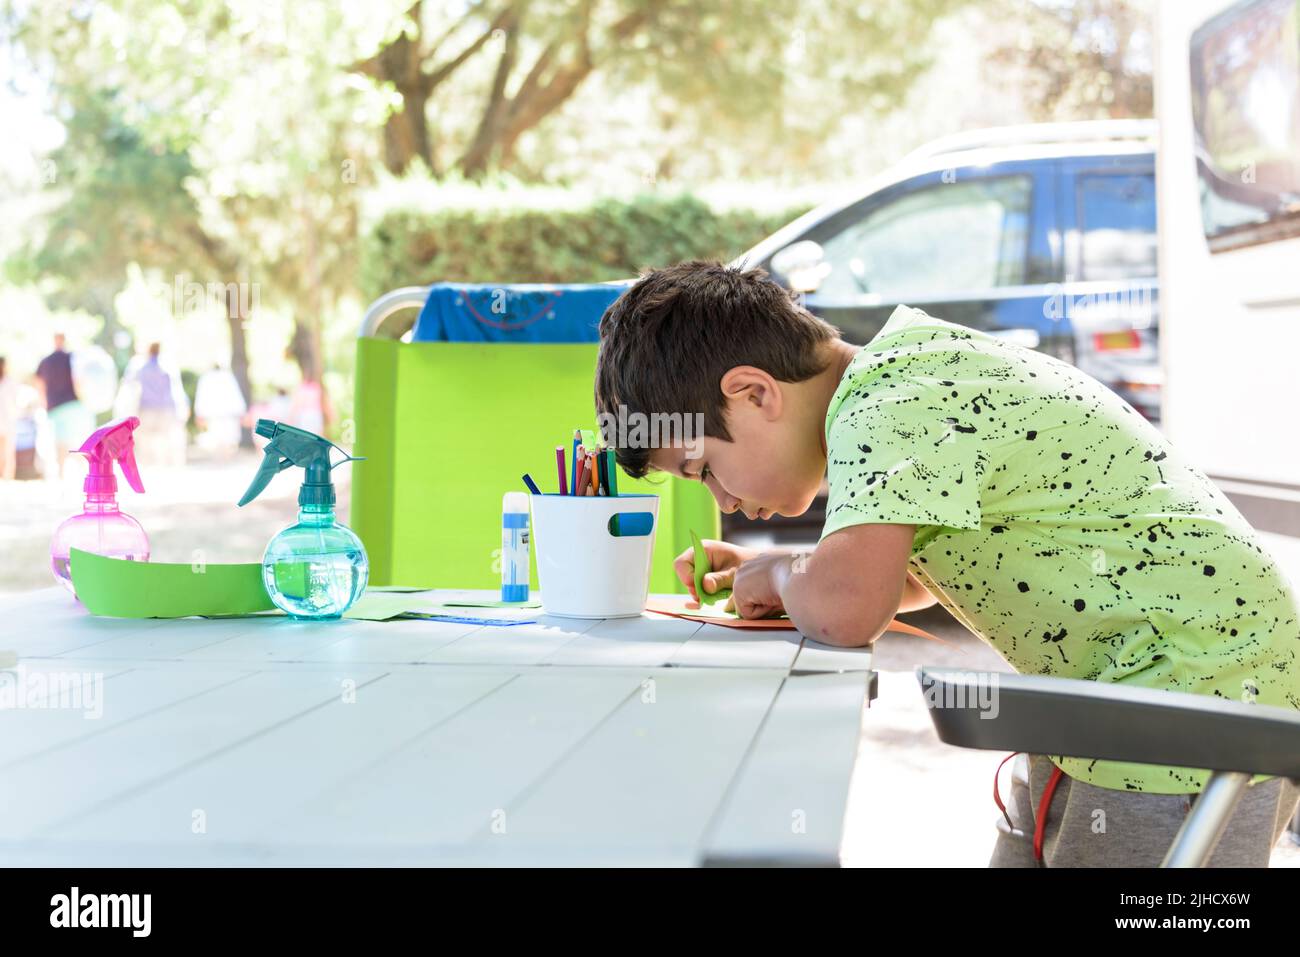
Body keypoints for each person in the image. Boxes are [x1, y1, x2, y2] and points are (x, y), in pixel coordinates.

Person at [593, 261, 1300, 868]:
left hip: (1194, 700)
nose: (725, 497)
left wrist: (787, 578)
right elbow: (904, 575)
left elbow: (848, 607)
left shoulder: (888, 402)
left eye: (704, 468)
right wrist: (788, 566)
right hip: (1122, 697)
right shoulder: (900, 386)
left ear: (754, 393)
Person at [121, 342, 189, 468]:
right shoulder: (168, 367)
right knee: (166, 439)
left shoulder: (141, 368)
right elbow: (176, 390)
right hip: (166, 408)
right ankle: (164, 465)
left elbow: (129, 385)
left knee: (146, 439)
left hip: (147, 408)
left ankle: (148, 465)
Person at [35, 333, 94, 476]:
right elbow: (78, 380)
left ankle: (61, 472)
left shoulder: (46, 361)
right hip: (72, 404)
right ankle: (83, 472)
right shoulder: (72, 358)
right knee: (77, 438)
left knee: (60, 441)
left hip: (55, 406)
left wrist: (43, 402)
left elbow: (39, 382)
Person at [193, 363, 247, 456]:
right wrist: (241, 411)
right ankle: (224, 461)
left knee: (219, 441)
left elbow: (201, 396)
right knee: (228, 441)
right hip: (228, 415)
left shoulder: (206, 378)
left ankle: (220, 461)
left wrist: (199, 413)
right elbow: (235, 395)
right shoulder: (228, 377)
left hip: (214, 415)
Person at [0, 356, 17, 480]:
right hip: (6, 419)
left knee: (8, 451)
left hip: (8, 419)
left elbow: (14, 401)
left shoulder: (9, 381)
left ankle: (7, 477)